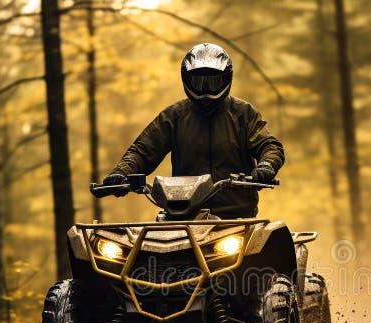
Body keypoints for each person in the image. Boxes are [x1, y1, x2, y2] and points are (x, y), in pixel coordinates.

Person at [104, 43, 285, 218]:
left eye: (213, 82)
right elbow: (143, 151)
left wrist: (266, 166)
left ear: (226, 79)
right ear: (186, 80)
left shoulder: (243, 114)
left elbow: (268, 145)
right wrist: (121, 173)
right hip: (183, 217)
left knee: (267, 244)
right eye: (198, 82)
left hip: (236, 218)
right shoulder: (174, 116)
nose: (205, 89)